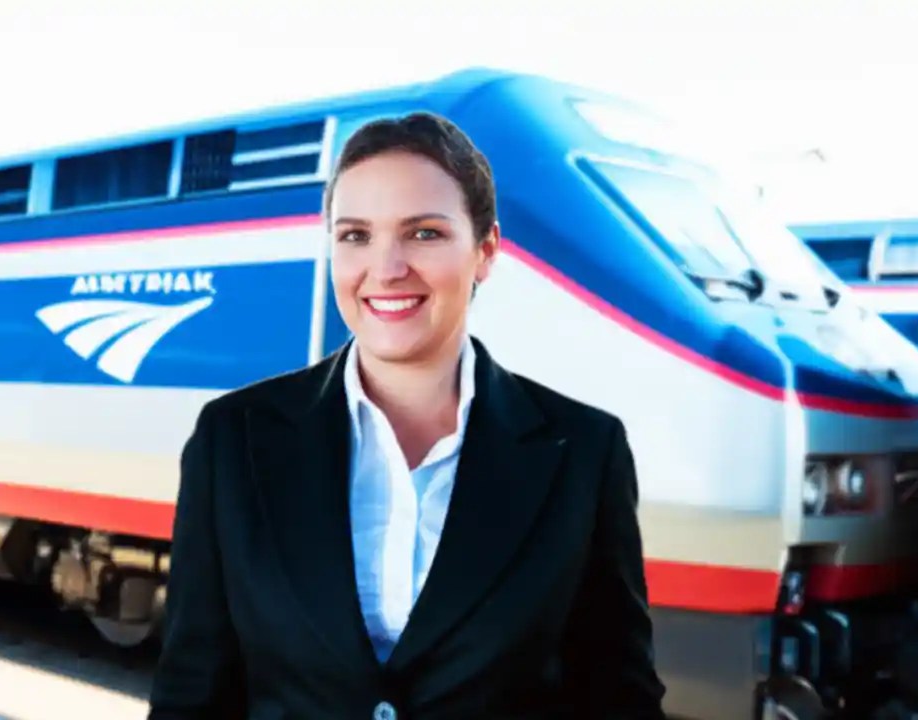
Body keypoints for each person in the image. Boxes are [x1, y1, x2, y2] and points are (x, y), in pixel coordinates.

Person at [147, 112, 666, 719]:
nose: (386, 268)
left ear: (486, 251)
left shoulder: (582, 450)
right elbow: (191, 693)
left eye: (423, 233)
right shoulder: (233, 439)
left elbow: (617, 696)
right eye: (355, 236)